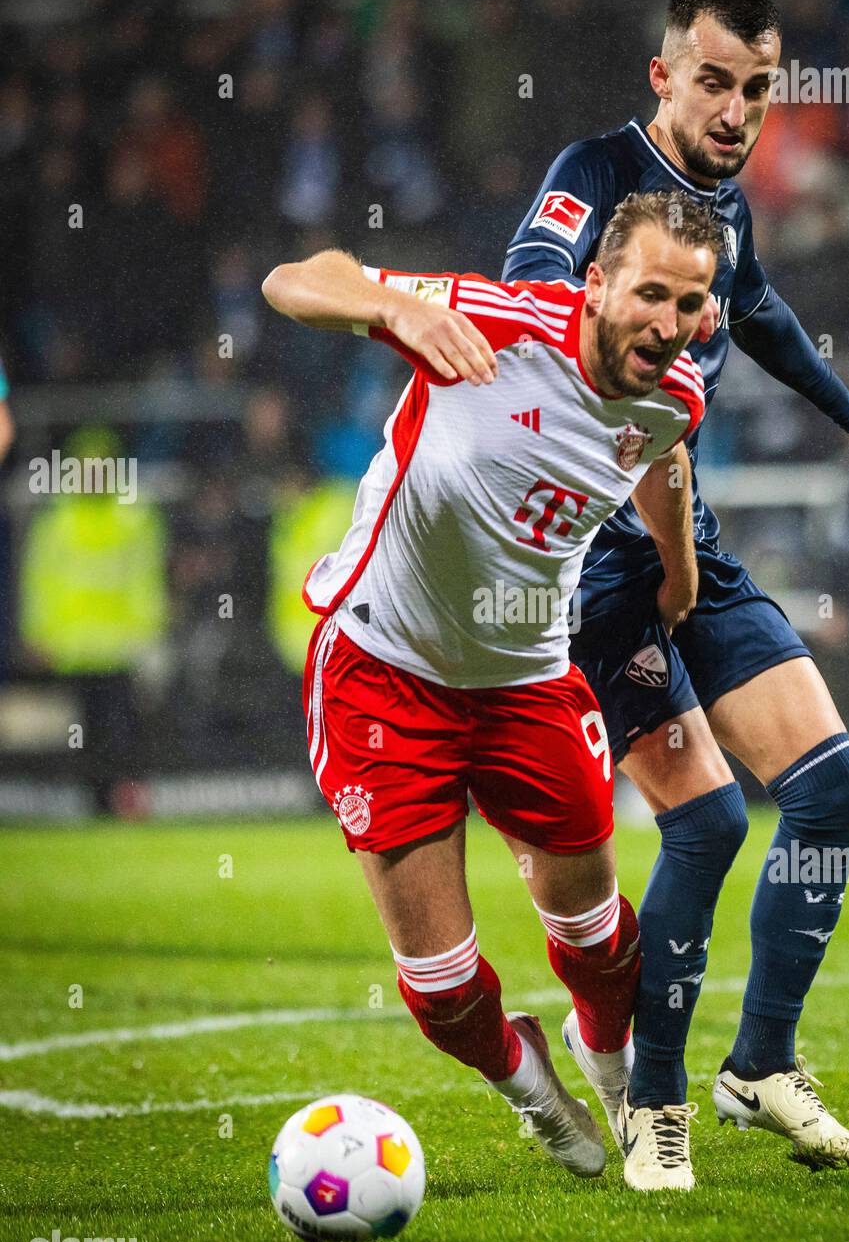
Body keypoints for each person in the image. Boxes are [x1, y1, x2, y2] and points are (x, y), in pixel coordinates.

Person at [504, 0, 849, 1189]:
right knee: (705, 819)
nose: (737, 109)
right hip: (592, 562)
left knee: (833, 785)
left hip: (685, 529)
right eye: (715, 81)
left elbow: (758, 311)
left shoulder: (724, 210)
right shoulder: (591, 173)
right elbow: (530, 299)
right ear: (664, 76)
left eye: (757, 89)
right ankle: (658, 1101)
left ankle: (763, 1064)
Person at [262, 190, 718, 1178]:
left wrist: (675, 566)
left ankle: (611, 1056)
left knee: (599, 940)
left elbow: (658, 455)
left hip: (528, 684)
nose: (664, 323)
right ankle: (528, 1082)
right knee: (439, 989)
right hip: (384, 674)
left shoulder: (677, 389)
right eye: (646, 295)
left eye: (688, 305)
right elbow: (293, 280)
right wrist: (396, 308)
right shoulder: (493, 322)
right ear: (595, 285)